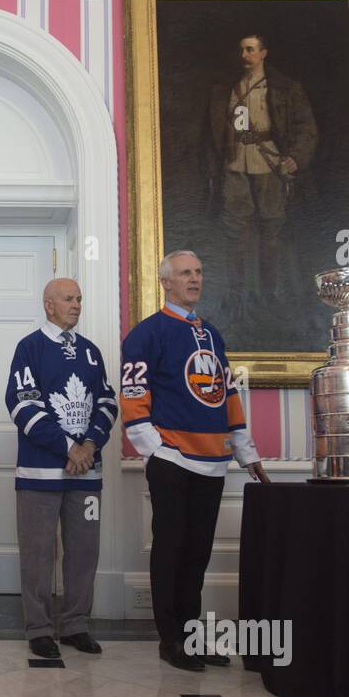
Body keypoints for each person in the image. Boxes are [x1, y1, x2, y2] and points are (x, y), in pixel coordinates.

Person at [120, 251, 268, 672]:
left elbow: (227, 395)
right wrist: (155, 448)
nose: (194, 278)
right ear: (165, 282)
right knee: (170, 549)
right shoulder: (147, 333)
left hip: (213, 462)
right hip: (172, 459)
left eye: (199, 272)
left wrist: (247, 452)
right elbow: (132, 392)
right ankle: (171, 640)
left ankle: (192, 635)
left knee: (197, 553)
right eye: (185, 273)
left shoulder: (213, 335)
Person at [6, 279, 117, 658]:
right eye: (68, 299)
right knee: (37, 554)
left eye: (79, 298)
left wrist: (88, 445)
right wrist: (69, 446)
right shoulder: (30, 348)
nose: (76, 304)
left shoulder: (90, 351)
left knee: (84, 551)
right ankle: (38, 628)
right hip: (39, 475)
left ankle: (74, 625)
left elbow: (107, 402)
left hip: (87, 474)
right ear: (48, 305)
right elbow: (23, 406)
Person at [205, 34, 317, 314]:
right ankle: (237, 296)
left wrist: (296, 158)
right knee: (235, 232)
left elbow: (307, 128)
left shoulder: (285, 88)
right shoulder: (227, 89)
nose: (245, 55)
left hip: (269, 165)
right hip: (235, 166)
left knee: (271, 231)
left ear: (264, 53)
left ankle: (270, 295)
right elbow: (213, 133)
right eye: (242, 49)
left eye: (251, 50)